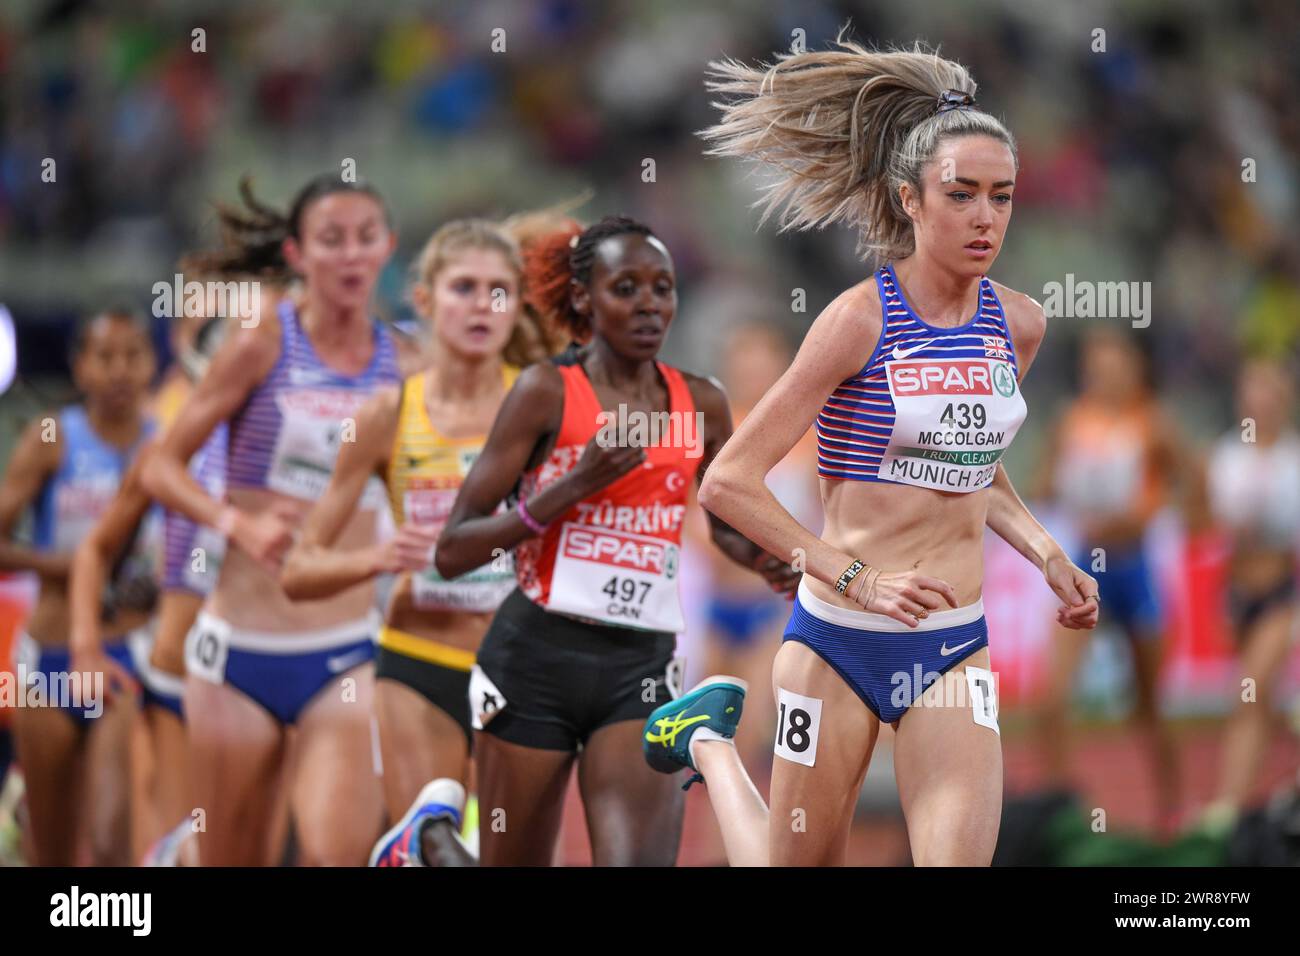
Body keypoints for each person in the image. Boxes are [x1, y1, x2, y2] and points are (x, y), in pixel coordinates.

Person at [642, 39, 1099, 866]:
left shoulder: (1019, 324)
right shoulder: (860, 321)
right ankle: (706, 744)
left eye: (1002, 196)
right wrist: (856, 577)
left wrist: (1045, 553)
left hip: (956, 641)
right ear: (910, 201)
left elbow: (973, 468)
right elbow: (729, 482)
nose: (985, 217)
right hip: (839, 637)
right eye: (960, 195)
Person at [396, 215, 800, 866]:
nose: (648, 304)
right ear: (585, 299)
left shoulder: (701, 401)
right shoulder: (545, 393)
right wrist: (572, 484)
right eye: (626, 287)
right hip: (534, 657)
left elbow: (723, 522)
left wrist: (765, 559)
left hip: (639, 667)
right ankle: (434, 845)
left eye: (662, 288)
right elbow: (455, 548)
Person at [142, 175, 400, 865]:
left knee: (337, 854)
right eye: (331, 240)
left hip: (345, 650)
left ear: (388, 249)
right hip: (238, 652)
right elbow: (158, 468)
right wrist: (238, 524)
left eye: (365, 238)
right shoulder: (262, 341)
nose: (350, 256)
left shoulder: (406, 364)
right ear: (297, 253)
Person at [281, 218, 554, 865]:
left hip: (522, 665)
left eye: (498, 291)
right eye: (463, 287)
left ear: (516, 305)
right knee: (435, 853)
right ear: (425, 300)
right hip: (418, 661)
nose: (481, 306)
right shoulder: (385, 415)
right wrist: (378, 556)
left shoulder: (545, 401)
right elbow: (299, 568)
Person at [0, 309, 157, 865]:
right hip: (52, 657)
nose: (119, 371)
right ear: (80, 367)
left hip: (125, 657)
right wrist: (66, 566)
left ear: (151, 364)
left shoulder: (165, 444)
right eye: (104, 357)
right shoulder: (52, 437)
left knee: (115, 840)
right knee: (54, 852)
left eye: (132, 355)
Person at [1034, 328, 1191, 832]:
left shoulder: (1154, 423)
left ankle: (1173, 808)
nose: (1102, 373)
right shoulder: (1072, 421)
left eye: (1112, 363)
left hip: (1136, 570)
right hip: (1086, 566)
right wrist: (1062, 483)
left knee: (1147, 704)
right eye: (1094, 364)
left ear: (1134, 367)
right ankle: (1059, 809)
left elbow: (1194, 478)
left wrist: (1157, 509)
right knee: (1053, 696)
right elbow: (1040, 485)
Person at [1202, 357, 1300, 827]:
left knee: (1251, 692)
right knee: (1259, 702)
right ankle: (1278, 795)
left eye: (1268, 392)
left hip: (1282, 593)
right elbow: (1204, 522)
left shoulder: (1293, 460)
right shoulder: (1228, 455)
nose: (1258, 402)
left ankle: (1228, 808)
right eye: (1251, 392)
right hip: (1239, 593)